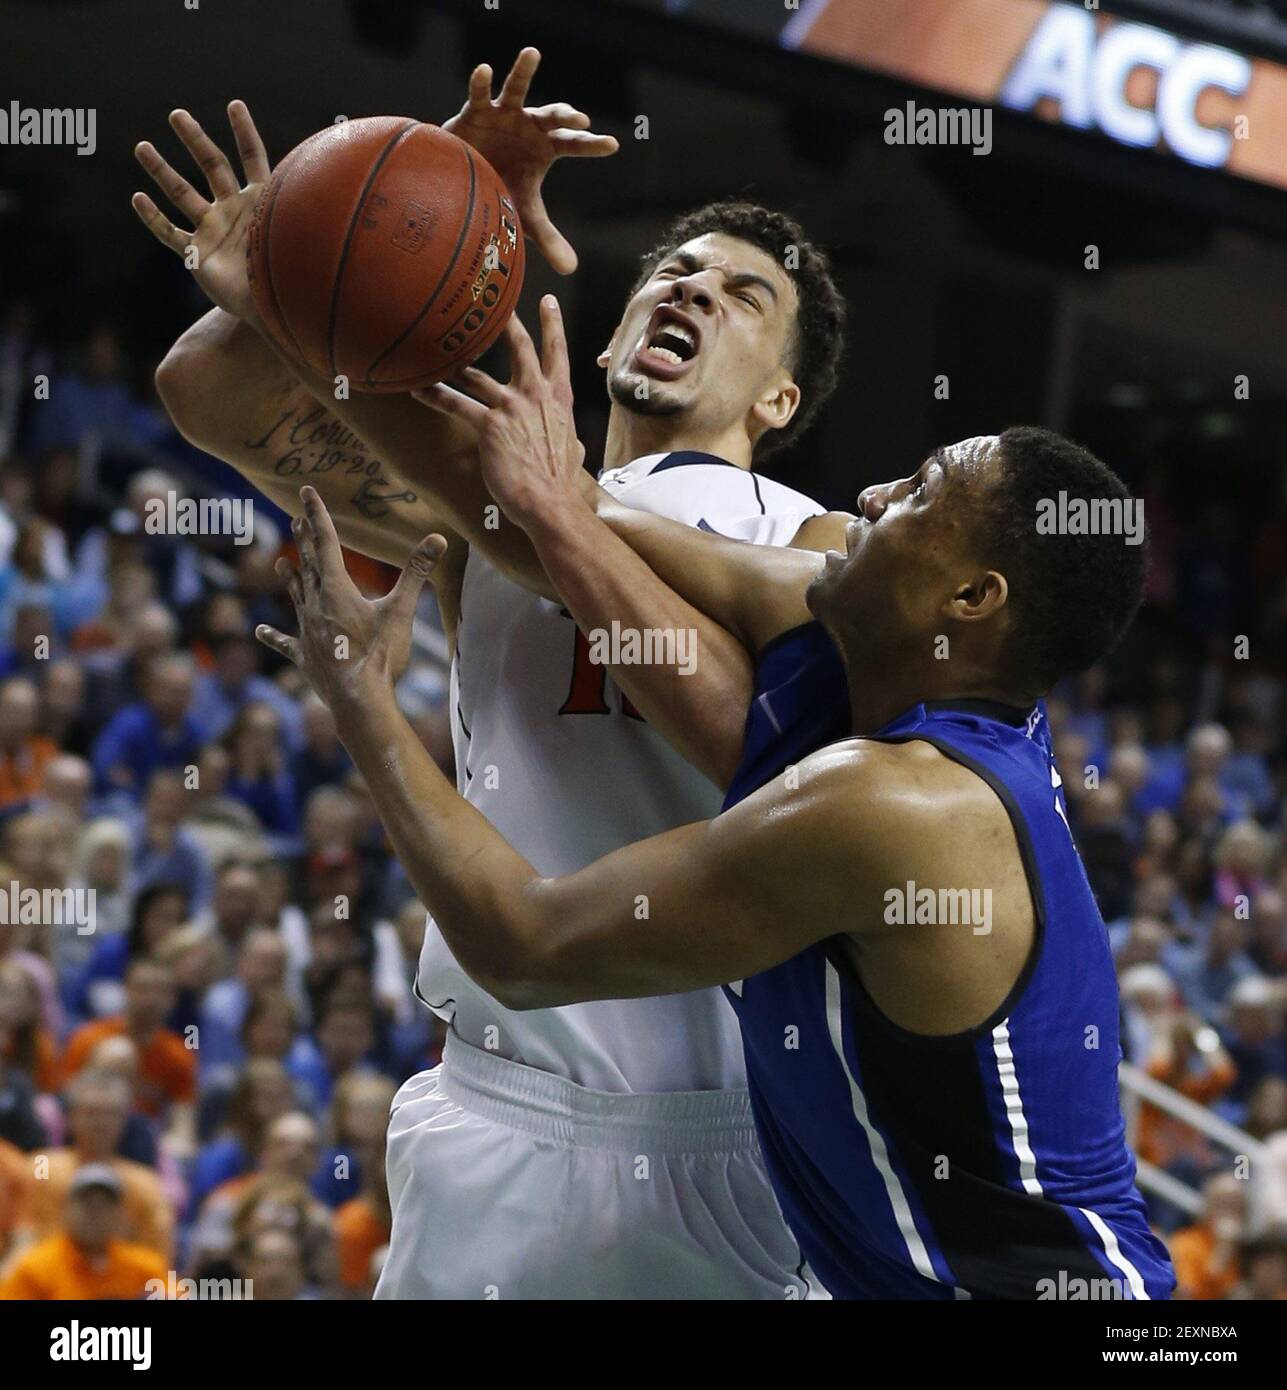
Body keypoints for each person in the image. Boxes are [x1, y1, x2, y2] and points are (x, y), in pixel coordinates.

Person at [137, 52, 847, 1298]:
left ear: (781, 395)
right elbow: (207, 393)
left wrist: (548, 518)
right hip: (495, 1116)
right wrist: (335, 253)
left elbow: (759, 748)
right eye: (675, 272)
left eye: (744, 297)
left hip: (721, 1126)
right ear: (621, 316)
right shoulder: (480, 506)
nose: (694, 292)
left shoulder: (818, 544)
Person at [255, 415, 1176, 1298]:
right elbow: (581, 528)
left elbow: (523, 945)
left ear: (970, 598)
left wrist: (364, 706)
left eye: (918, 491)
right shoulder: (916, 667)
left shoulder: (899, 807)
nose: (871, 493)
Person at [0, 1163, 169, 1300]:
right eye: (86, 1204)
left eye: (104, 1205)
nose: (95, 1213)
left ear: (120, 1215)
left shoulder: (144, 1267)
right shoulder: (36, 1269)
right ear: (65, 1210)